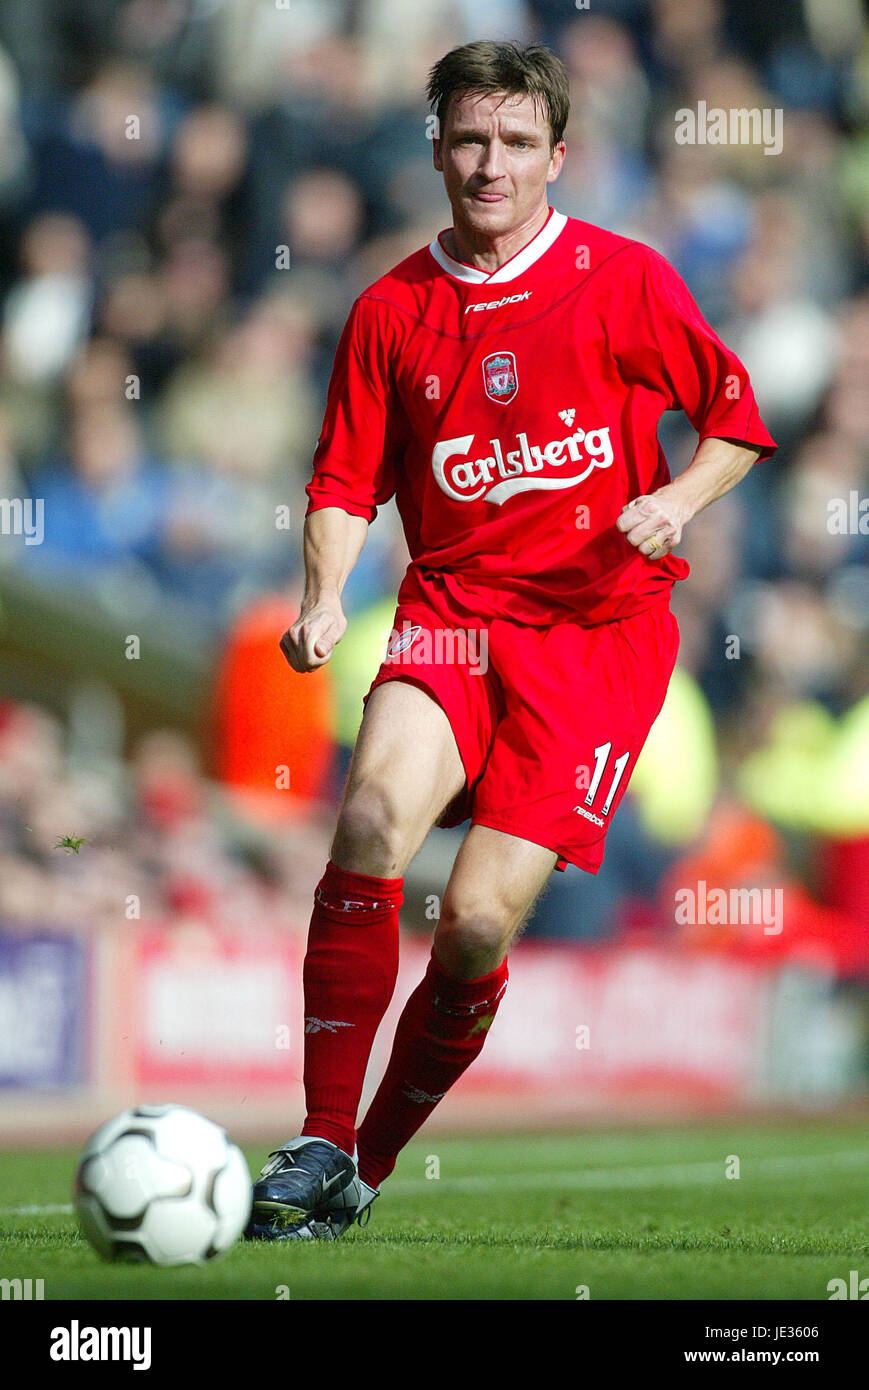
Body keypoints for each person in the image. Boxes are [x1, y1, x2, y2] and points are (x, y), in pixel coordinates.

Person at [244, 40, 776, 1241]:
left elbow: (734, 417)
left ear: (557, 157)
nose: (491, 166)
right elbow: (341, 481)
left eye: (517, 144)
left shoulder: (621, 278)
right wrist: (324, 593)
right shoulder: (389, 308)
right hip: (450, 615)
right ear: (437, 149)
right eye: (470, 142)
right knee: (372, 817)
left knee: (477, 920)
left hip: (595, 640)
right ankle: (319, 1130)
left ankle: (362, 1167)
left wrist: (676, 501)